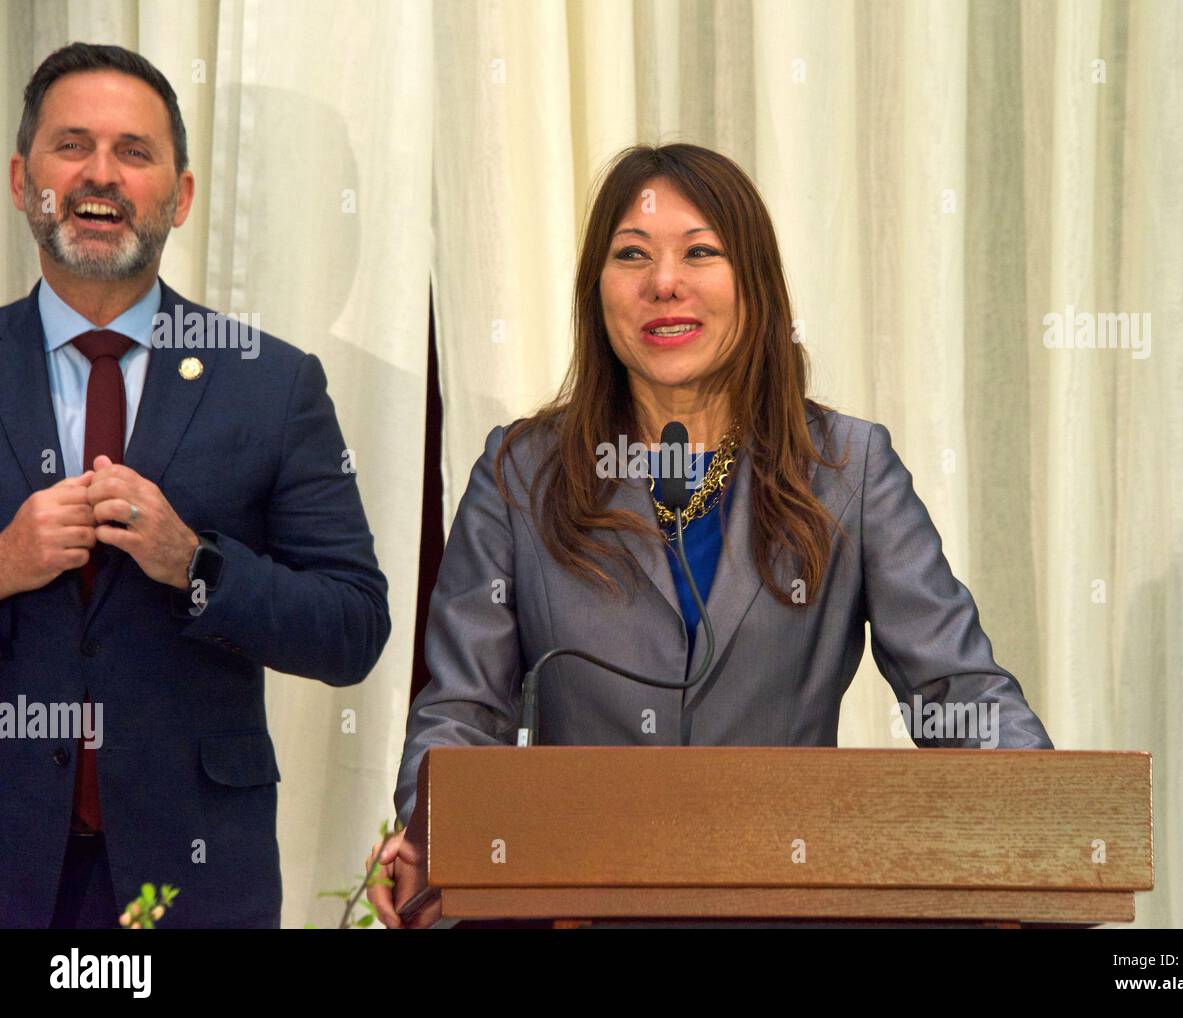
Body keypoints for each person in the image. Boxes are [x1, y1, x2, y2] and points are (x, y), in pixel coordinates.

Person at [368, 142, 1052, 928]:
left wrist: (1051, 823)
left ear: (752, 285)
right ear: (597, 292)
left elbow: (956, 692)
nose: (665, 283)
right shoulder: (521, 474)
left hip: (788, 910)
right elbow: (463, 712)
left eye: (700, 253)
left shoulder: (849, 470)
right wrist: (432, 831)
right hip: (575, 911)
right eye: (632, 256)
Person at [0, 43, 390, 928]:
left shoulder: (272, 384)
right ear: (24, 180)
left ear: (179, 195)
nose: (101, 176)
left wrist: (195, 563)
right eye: (72, 146)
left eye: (134, 153)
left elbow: (352, 627)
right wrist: (5, 561)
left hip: (193, 880)